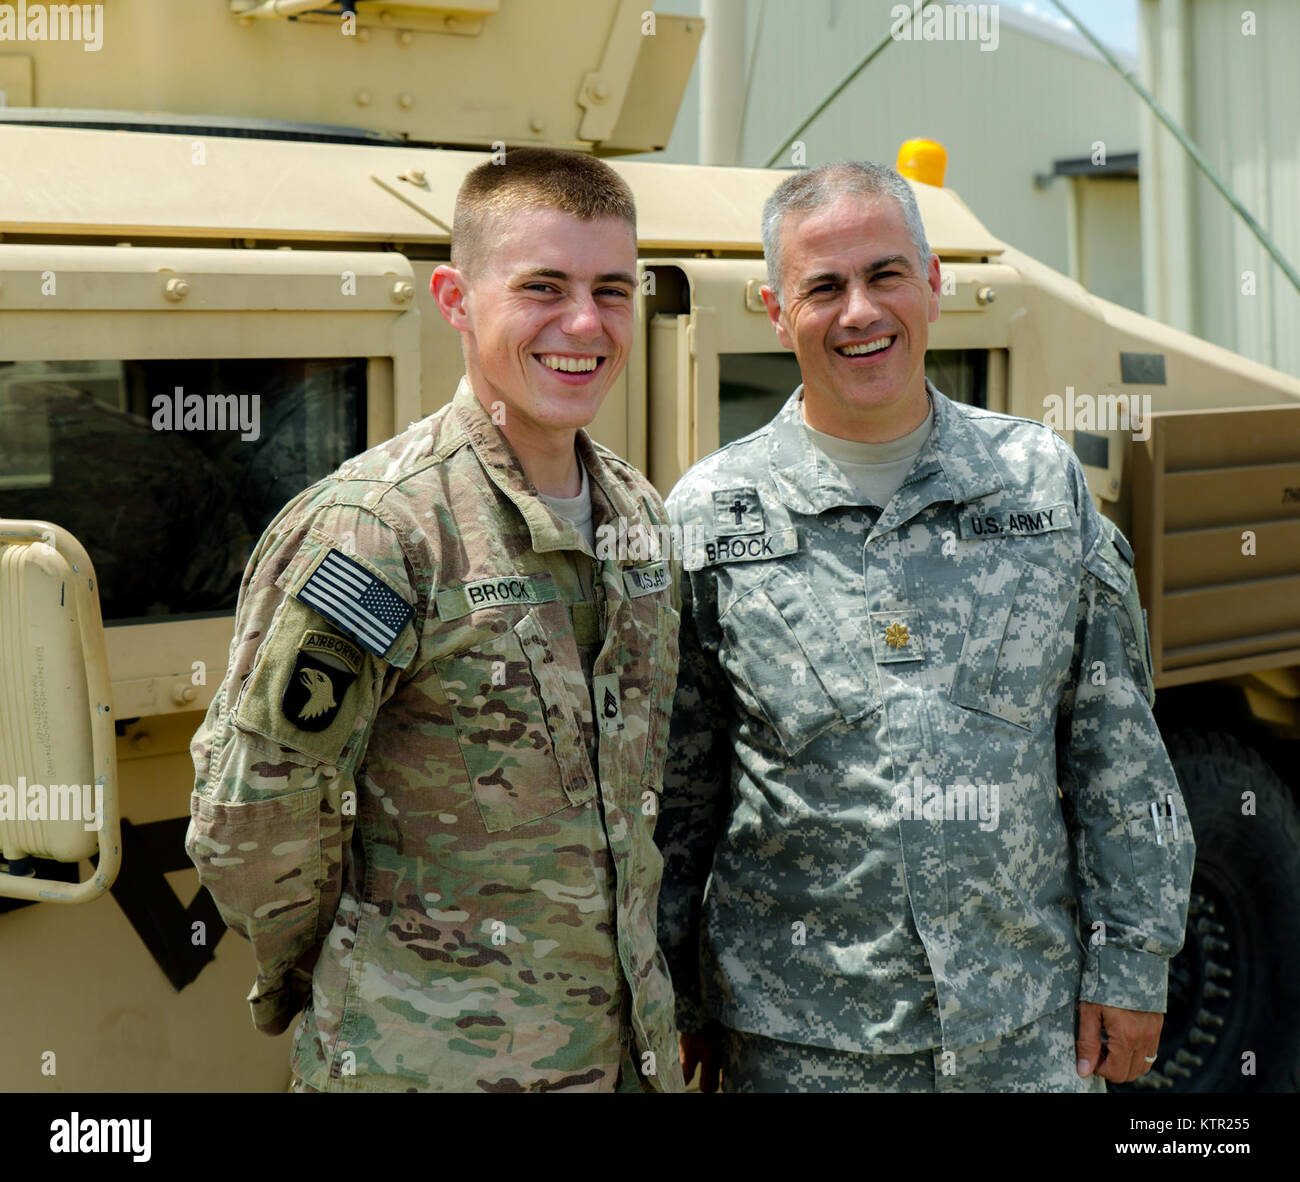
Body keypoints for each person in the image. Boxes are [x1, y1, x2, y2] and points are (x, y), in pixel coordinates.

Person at [657, 161, 1195, 1093]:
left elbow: (1115, 748)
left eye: (886, 274)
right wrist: (674, 992)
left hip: (1023, 1029)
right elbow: (680, 786)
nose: (860, 311)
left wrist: (1134, 962)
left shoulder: (1040, 483)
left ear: (935, 284)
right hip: (797, 1045)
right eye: (823, 287)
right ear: (776, 311)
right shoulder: (711, 515)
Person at [186, 147, 684, 1093]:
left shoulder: (639, 519)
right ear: (456, 298)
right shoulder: (381, 531)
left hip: (621, 1064)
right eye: (543, 287)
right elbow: (251, 822)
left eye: (612, 290)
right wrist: (359, 974)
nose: (585, 324)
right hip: (425, 1065)